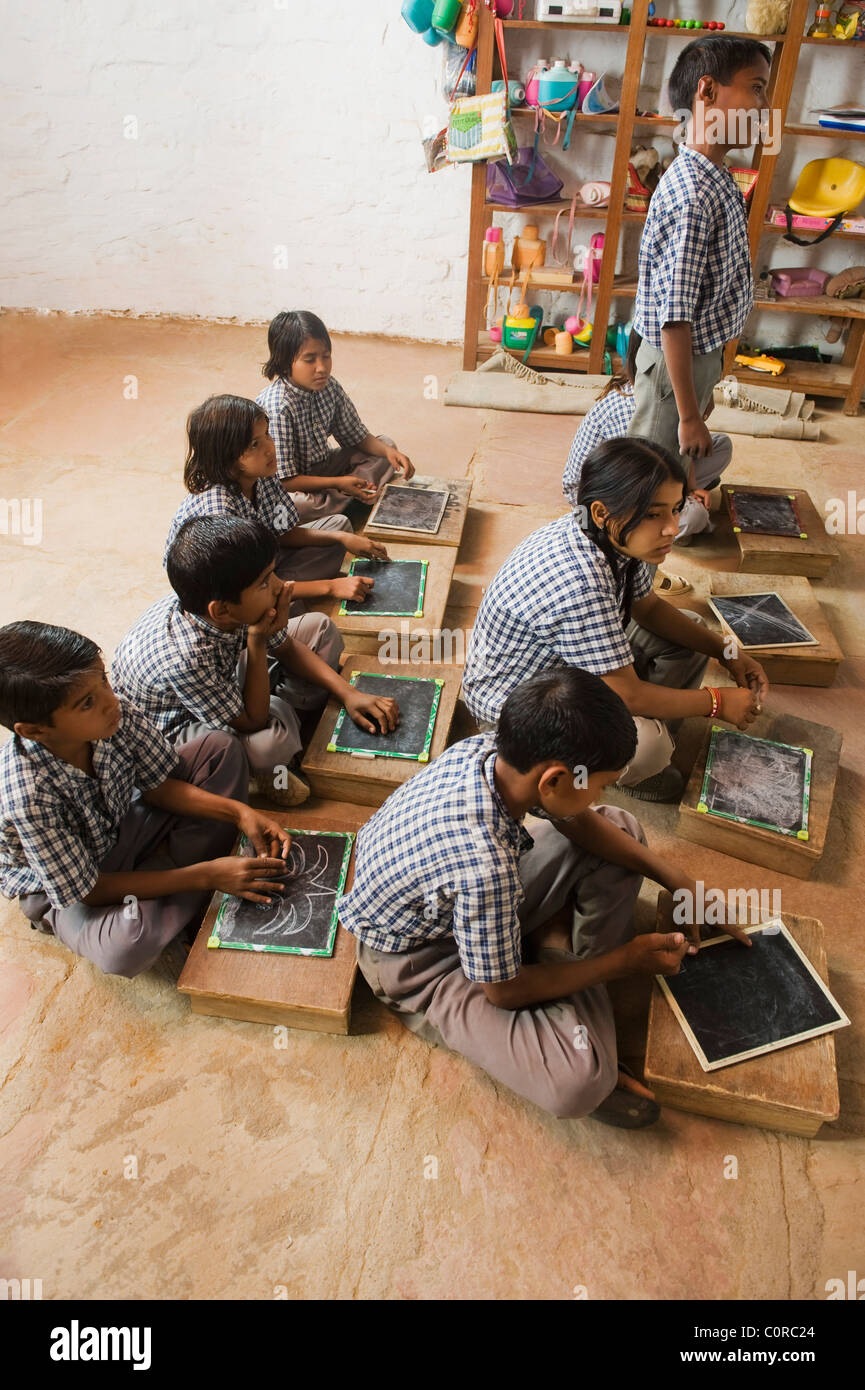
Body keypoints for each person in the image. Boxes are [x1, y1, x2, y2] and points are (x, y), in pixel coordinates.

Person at [340, 669, 750, 1127]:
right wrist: (624, 962)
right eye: (600, 784)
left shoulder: (489, 752)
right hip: (419, 962)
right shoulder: (484, 867)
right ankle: (557, 956)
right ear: (553, 780)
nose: (601, 793)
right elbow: (504, 993)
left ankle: (557, 967)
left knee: (620, 830)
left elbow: (575, 819)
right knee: (580, 1081)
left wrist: (676, 878)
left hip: (458, 903)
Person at [463, 437, 769, 803]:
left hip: (561, 670)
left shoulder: (618, 537)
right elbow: (628, 694)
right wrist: (717, 702)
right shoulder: (578, 577)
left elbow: (649, 608)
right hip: (516, 709)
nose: (672, 527)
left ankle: (650, 728)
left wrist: (728, 652)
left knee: (691, 632)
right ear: (601, 512)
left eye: (675, 509)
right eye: (654, 514)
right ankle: (622, 766)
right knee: (649, 749)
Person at [0, 620, 292, 978]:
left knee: (219, 749)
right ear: (34, 731)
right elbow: (89, 890)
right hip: (72, 886)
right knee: (127, 943)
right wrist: (205, 876)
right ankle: (190, 883)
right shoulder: (28, 796)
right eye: (87, 702)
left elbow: (158, 786)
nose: (111, 701)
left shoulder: (113, 711)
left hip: (122, 826)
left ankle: (175, 887)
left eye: (103, 680)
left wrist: (239, 813)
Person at [112, 516, 398, 808]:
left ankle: (287, 725)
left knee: (320, 629)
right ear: (221, 611)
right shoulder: (185, 658)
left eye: (273, 574)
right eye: (265, 583)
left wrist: (350, 694)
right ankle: (265, 767)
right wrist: (258, 642)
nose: (278, 587)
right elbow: (252, 721)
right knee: (267, 746)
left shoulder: (222, 608)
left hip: (220, 679)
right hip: (183, 726)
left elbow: (286, 647)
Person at [627, 36, 770, 487]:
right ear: (707, 91)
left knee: (675, 467)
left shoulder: (714, 177)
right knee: (648, 479)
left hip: (690, 364)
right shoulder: (692, 194)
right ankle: (634, 546)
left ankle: (677, 503)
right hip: (675, 366)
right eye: (756, 88)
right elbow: (674, 321)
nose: (763, 106)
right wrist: (688, 415)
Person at [165, 394, 388, 610]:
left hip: (261, 565)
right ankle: (285, 600)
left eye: (267, 436)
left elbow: (282, 532)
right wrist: (329, 587)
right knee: (270, 613)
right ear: (226, 456)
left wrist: (342, 538)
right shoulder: (219, 511)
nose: (269, 448)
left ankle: (288, 595)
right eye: (254, 444)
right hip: (234, 594)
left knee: (339, 526)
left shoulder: (263, 473)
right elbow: (244, 590)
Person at [563, 328, 732, 555]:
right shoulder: (635, 408)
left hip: (649, 469)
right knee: (696, 517)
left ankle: (675, 501)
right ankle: (650, 526)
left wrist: (692, 487)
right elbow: (635, 478)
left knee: (720, 446)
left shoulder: (667, 395)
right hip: (611, 491)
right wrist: (684, 497)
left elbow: (682, 447)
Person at [256, 309, 415, 521]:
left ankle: (342, 499)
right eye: (310, 359)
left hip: (323, 468)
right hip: (292, 485)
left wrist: (389, 453)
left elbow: (356, 436)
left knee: (385, 446)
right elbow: (285, 481)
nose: (321, 368)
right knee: (291, 507)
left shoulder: (328, 386)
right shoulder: (278, 408)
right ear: (285, 363)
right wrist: (339, 483)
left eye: (326, 356)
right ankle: (350, 495)